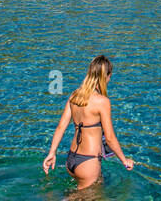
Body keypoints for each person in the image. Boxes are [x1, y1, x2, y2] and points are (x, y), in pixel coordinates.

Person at [43, 56, 134, 190]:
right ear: (107, 76)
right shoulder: (102, 101)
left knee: (94, 191)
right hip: (88, 162)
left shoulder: (75, 95)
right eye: (109, 76)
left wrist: (52, 153)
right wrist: (124, 161)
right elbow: (109, 138)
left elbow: (61, 127)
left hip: (71, 159)